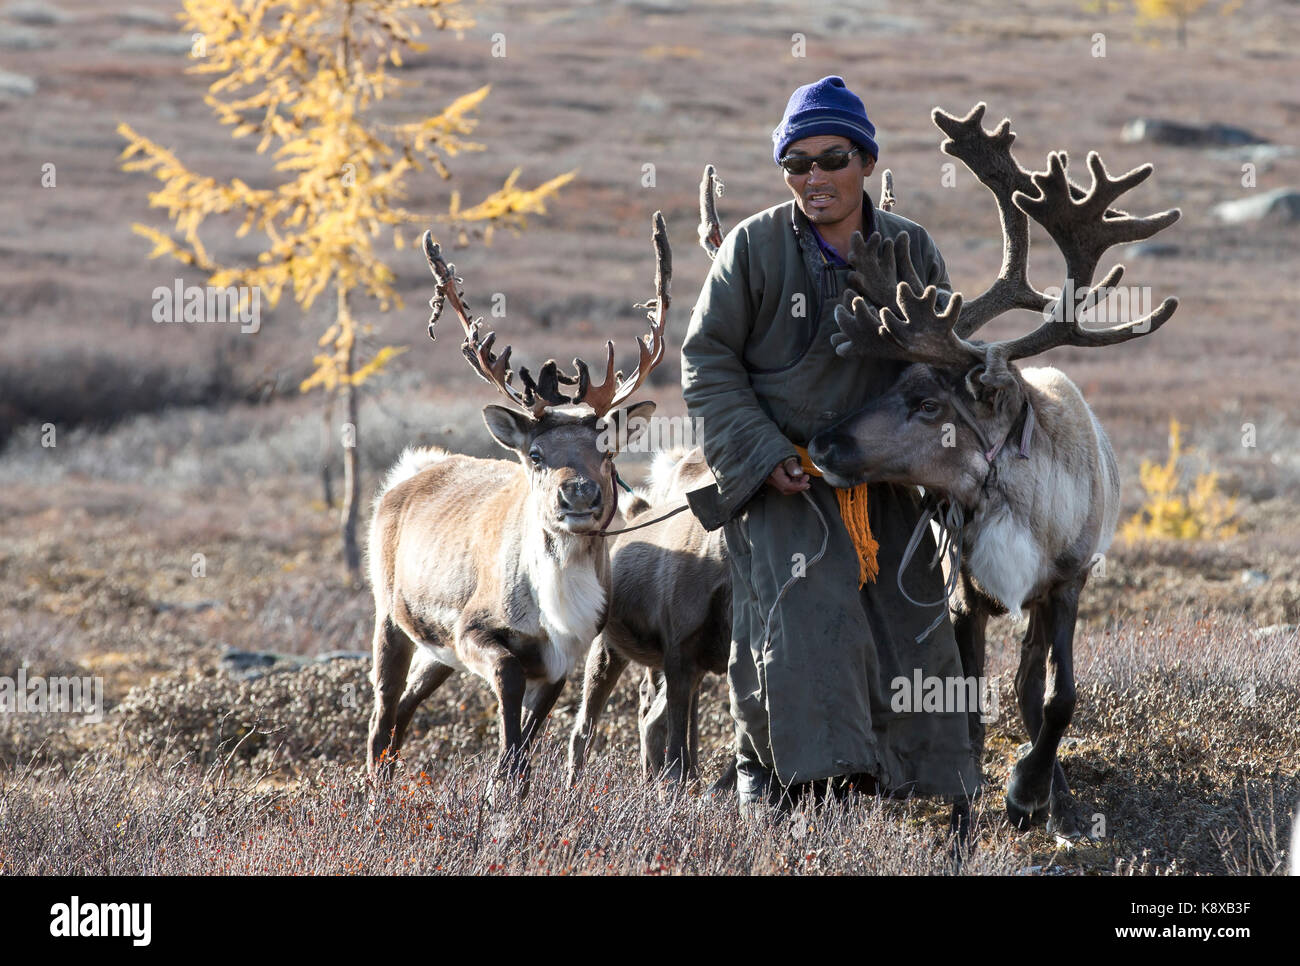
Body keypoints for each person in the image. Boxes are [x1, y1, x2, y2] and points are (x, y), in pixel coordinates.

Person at [680, 75, 979, 814]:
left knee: (913, 633)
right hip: (785, 481)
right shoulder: (751, 250)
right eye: (796, 164)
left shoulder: (912, 250)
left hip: (887, 483)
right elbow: (706, 363)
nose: (814, 176)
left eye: (832, 158)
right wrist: (760, 451)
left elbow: (943, 369)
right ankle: (793, 796)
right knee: (798, 628)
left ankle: (918, 798)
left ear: (867, 161)